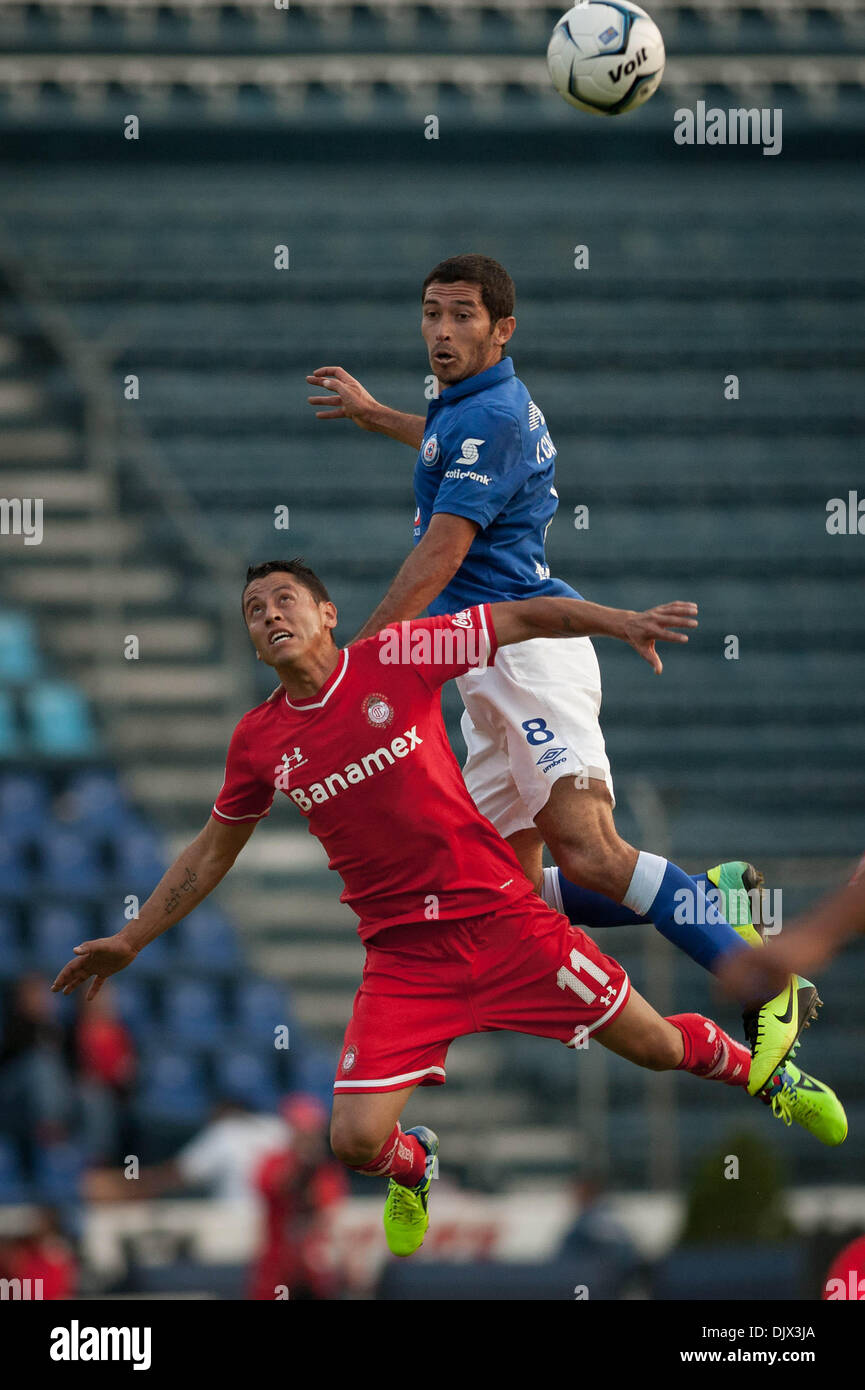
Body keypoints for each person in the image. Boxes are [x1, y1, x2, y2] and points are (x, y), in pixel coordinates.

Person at [51, 562, 846, 1260]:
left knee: (655, 1048)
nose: (269, 616)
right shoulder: (259, 742)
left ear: (328, 614)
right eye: (255, 612)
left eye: (284, 599)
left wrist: (617, 621)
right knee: (354, 1142)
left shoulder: (395, 656)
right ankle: (414, 1163)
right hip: (403, 958)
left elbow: (521, 617)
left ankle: (763, 1076)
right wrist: (131, 938)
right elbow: (208, 852)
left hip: (503, 922)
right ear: (255, 644)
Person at [302, 251, 821, 1097]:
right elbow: (447, 446)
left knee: (590, 853)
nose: (441, 330)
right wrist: (378, 417)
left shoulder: (494, 415)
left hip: (530, 654)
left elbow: (441, 551)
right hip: (487, 665)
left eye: (462, 315)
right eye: (431, 312)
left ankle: (770, 982)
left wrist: (357, 661)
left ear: (503, 328)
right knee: (502, 894)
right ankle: (702, 893)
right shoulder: (464, 402)